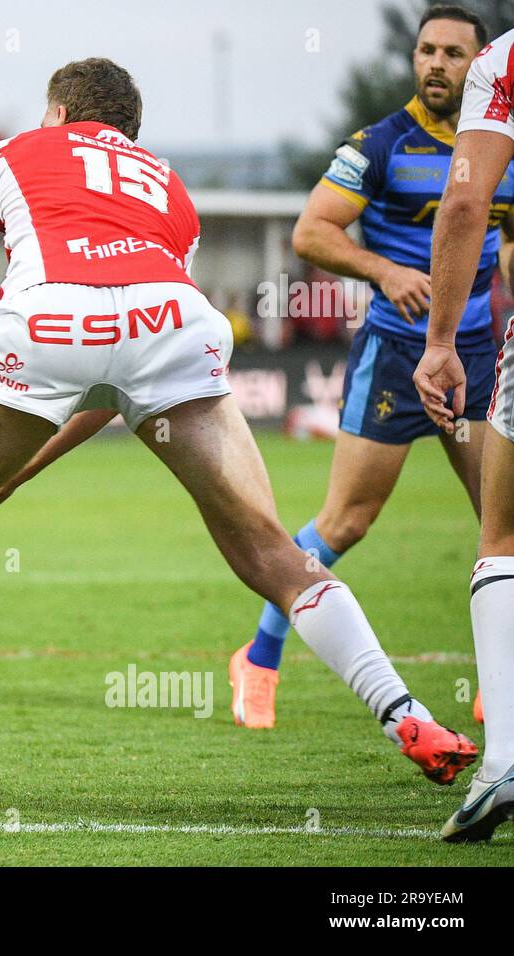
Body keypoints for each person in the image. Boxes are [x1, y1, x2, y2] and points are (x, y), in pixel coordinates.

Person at [0, 58, 476, 814]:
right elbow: (118, 378)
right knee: (273, 550)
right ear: (129, 130)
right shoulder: (168, 187)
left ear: (57, 113)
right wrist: (19, 467)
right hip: (179, 325)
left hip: (50, 318)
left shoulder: (16, 151)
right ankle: (409, 715)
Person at [230, 5, 512, 729]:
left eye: (454, 53)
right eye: (426, 51)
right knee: (347, 522)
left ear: (483, 66)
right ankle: (259, 657)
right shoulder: (380, 144)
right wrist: (385, 271)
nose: (437, 65)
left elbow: (504, 239)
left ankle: (499, 683)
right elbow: (311, 231)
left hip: (479, 354)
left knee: (501, 524)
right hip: (394, 355)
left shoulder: (500, 147)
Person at [414, 25, 514, 841]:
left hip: (426, 343)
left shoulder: (504, 61)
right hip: (378, 337)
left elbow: (465, 202)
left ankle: (505, 756)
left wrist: (441, 341)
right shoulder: (376, 142)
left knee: (502, 532)